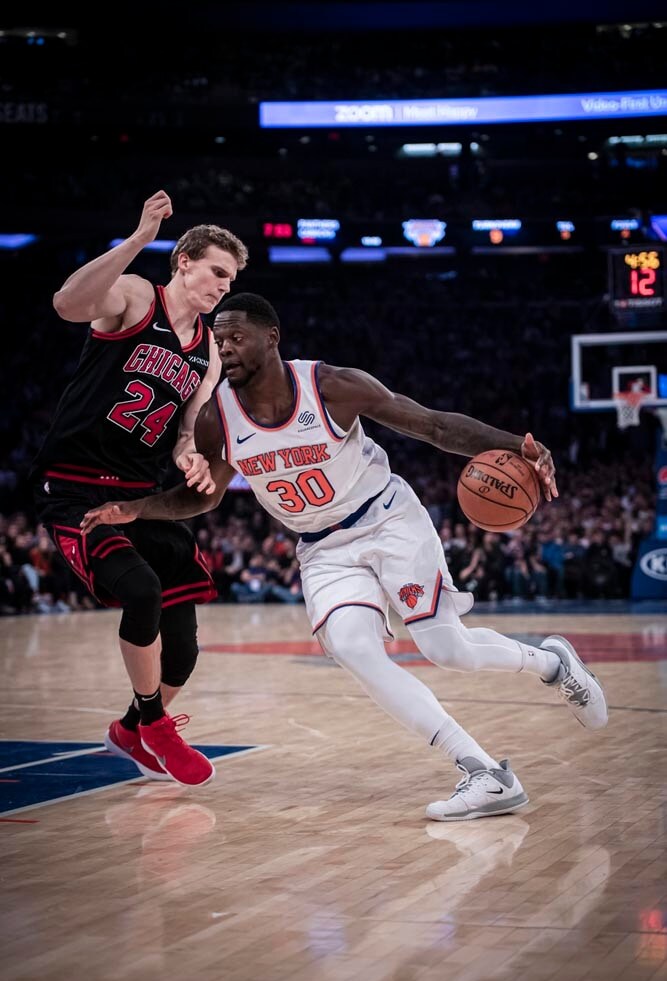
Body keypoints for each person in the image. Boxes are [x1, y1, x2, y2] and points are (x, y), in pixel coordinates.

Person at [81, 293, 608, 819]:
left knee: (447, 649)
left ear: (271, 338)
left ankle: (551, 664)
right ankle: (484, 772)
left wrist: (522, 447)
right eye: (220, 340)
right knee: (353, 650)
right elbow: (205, 496)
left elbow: (432, 425)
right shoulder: (218, 417)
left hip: (387, 518)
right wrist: (138, 509)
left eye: (237, 337)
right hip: (322, 547)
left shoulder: (331, 385)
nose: (226, 348)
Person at [31, 192, 249, 787]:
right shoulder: (132, 296)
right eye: (217, 273)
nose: (223, 288)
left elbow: (182, 436)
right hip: (76, 489)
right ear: (183, 262)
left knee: (185, 651)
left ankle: (129, 730)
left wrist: (194, 462)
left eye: (231, 281)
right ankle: (154, 723)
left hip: (139, 496)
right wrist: (137, 236)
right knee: (142, 591)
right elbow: (66, 303)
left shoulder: (206, 352)